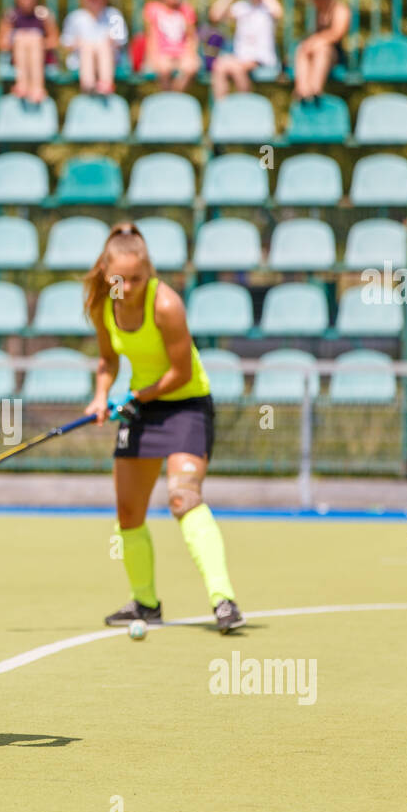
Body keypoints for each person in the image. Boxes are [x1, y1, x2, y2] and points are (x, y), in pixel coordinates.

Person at [82, 223, 245, 634]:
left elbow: (181, 371)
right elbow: (108, 361)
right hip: (142, 403)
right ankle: (146, 603)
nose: (130, 286)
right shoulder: (103, 306)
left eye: (138, 278)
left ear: (149, 271)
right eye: (121, 279)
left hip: (185, 404)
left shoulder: (166, 304)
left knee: (182, 497)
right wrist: (102, 395)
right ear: (105, 272)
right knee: (129, 512)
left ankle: (223, 600)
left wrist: (135, 397)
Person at [208, 0, 281, 99]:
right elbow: (215, 15)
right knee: (219, 66)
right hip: (240, 56)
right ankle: (221, 108)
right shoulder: (241, 7)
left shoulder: (267, 8)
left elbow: (278, 12)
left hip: (260, 57)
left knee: (237, 68)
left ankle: (244, 104)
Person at [59, 0, 128, 96]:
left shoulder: (114, 15)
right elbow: (66, 43)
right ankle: (89, 86)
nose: (96, 2)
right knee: (87, 46)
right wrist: (79, 43)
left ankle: (105, 84)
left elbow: (120, 41)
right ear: (84, 0)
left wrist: (110, 42)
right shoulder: (75, 18)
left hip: (110, 58)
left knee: (103, 46)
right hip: (81, 59)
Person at [0, 0, 59, 104]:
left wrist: (36, 42)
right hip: (17, 58)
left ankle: (27, 86)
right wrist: (21, 41)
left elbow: (54, 41)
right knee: (22, 38)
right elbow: (1, 43)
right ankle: (33, 87)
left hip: (41, 57)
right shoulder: (10, 17)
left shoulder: (43, 15)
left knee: (34, 38)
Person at [293, 0, 349, 102]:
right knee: (302, 48)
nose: (313, 0)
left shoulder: (340, 9)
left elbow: (337, 34)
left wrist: (315, 42)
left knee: (322, 50)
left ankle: (315, 91)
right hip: (317, 50)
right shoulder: (318, 11)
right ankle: (302, 90)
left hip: (335, 54)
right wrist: (310, 44)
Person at [142, 0, 201, 91]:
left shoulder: (185, 10)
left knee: (191, 67)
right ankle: (168, 96)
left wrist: (191, 55)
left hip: (182, 54)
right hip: (162, 55)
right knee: (164, 68)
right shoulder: (154, 9)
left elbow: (191, 37)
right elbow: (152, 37)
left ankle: (175, 96)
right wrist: (152, 58)